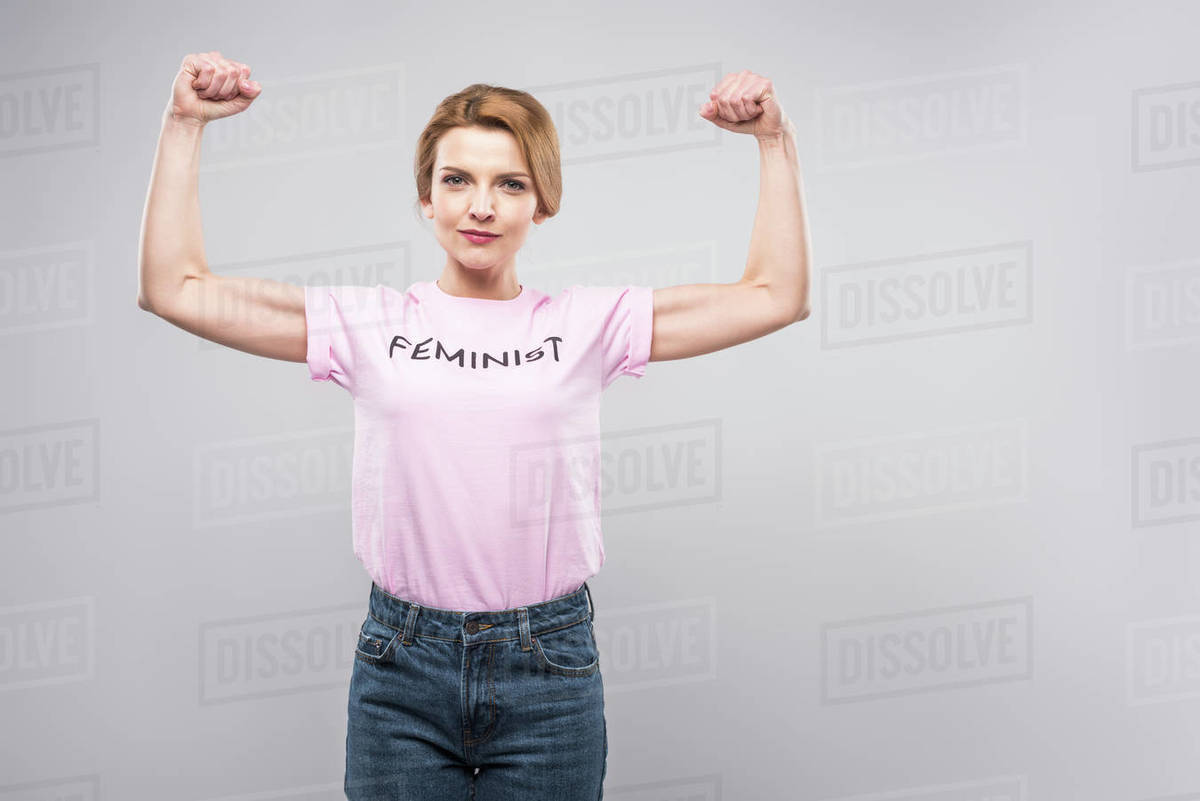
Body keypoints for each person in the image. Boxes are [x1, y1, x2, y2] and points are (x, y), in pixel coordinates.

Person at [137, 51, 811, 801]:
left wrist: (773, 143)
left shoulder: (590, 323)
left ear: (541, 205)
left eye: (509, 184)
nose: (480, 206)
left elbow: (776, 294)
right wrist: (183, 124)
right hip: (403, 667)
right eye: (456, 180)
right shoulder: (367, 323)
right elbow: (175, 286)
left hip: (549, 669)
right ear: (427, 198)